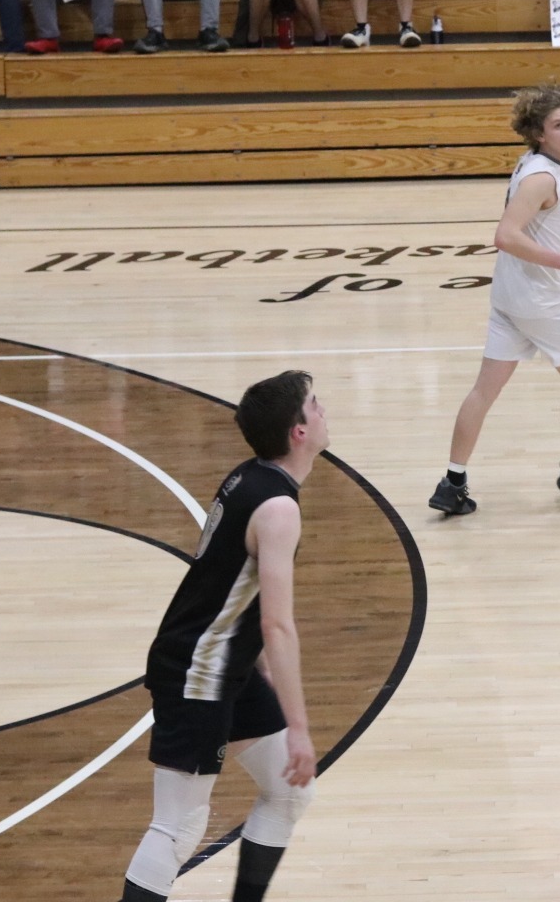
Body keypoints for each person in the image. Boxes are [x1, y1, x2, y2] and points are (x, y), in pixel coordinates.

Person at [117, 371, 327, 902]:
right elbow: (277, 624)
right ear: (299, 431)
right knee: (178, 827)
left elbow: (229, 584)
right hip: (199, 671)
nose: (324, 411)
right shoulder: (278, 509)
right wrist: (299, 730)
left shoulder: (248, 477)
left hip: (224, 662)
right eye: (315, 405)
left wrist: (258, 670)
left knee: (288, 791)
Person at [427, 88, 560, 517]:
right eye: (559, 125)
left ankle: (452, 483)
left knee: (484, 391)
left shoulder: (542, 166)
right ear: (540, 134)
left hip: (510, 296)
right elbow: (505, 235)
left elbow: (556, 210)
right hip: (539, 301)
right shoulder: (541, 177)